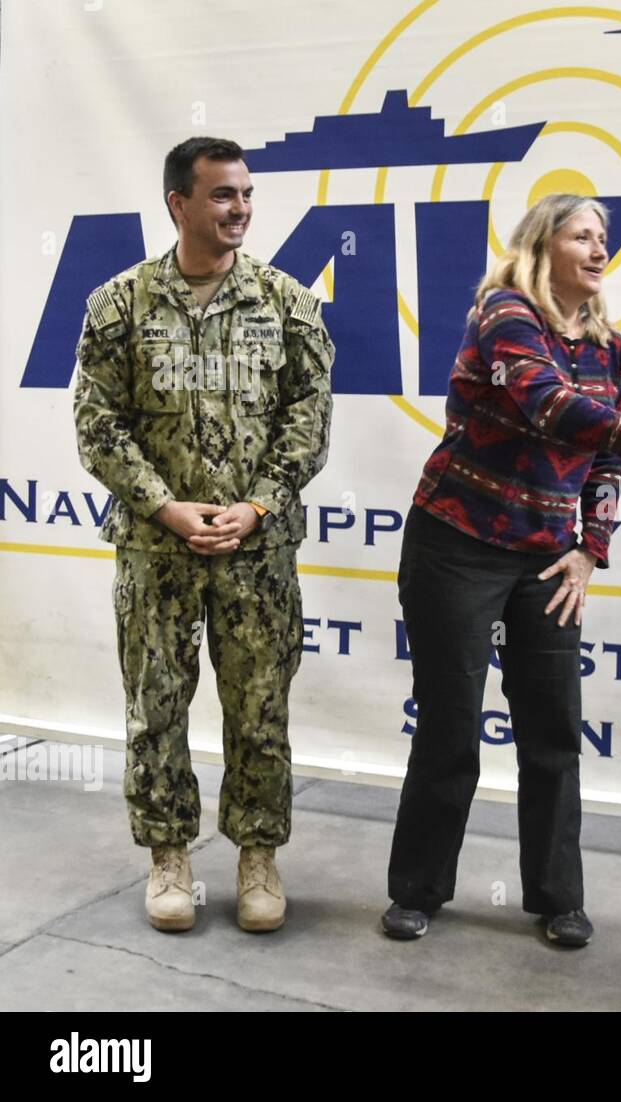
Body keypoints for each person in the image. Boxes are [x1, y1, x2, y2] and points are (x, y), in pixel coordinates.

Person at [381, 193, 621, 947]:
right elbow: (546, 405)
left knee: (553, 731)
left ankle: (557, 898)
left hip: (547, 556)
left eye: (604, 237)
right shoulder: (506, 312)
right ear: (542, 246)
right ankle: (417, 891)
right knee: (449, 727)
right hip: (457, 542)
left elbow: (603, 456)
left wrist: (591, 548)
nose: (600, 248)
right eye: (583, 235)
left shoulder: (608, 347)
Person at [73, 137, 334, 934]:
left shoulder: (288, 303)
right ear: (178, 203)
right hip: (158, 551)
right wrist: (165, 506)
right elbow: (96, 421)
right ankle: (169, 855)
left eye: (246, 194)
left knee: (259, 710)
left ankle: (258, 857)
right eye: (222, 195)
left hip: (256, 554)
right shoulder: (119, 304)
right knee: (156, 706)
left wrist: (255, 506)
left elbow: (309, 420)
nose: (240, 209)